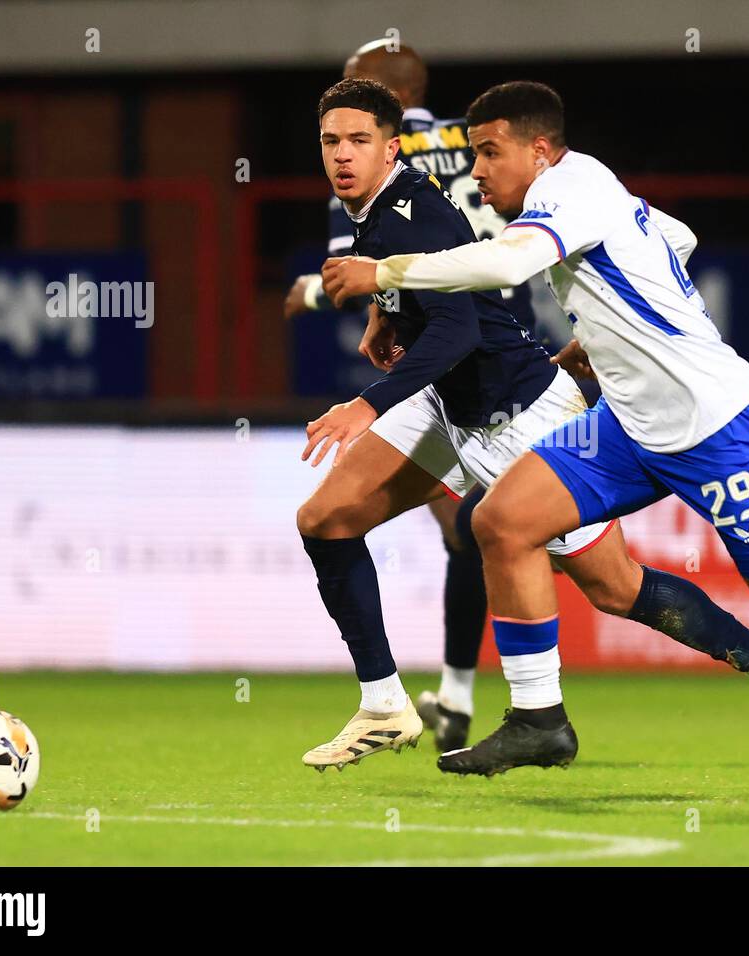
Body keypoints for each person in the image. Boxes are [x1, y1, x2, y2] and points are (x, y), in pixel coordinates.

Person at [321, 81, 749, 778]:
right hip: (628, 424)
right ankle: (537, 720)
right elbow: (676, 236)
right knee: (501, 521)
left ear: (541, 150)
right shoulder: (588, 189)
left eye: (490, 153)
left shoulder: (568, 191)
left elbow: (506, 263)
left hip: (717, 426)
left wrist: (385, 273)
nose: (478, 171)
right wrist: (611, 331)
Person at [284, 40, 541, 752]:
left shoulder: (392, 176)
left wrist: (320, 298)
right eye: (331, 138)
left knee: (603, 579)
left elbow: (356, 271)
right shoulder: (476, 145)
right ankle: (408, 701)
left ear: (382, 119)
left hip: (496, 378)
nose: (341, 148)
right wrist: (389, 308)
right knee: (335, 518)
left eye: (354, 128)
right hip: (460, 357)